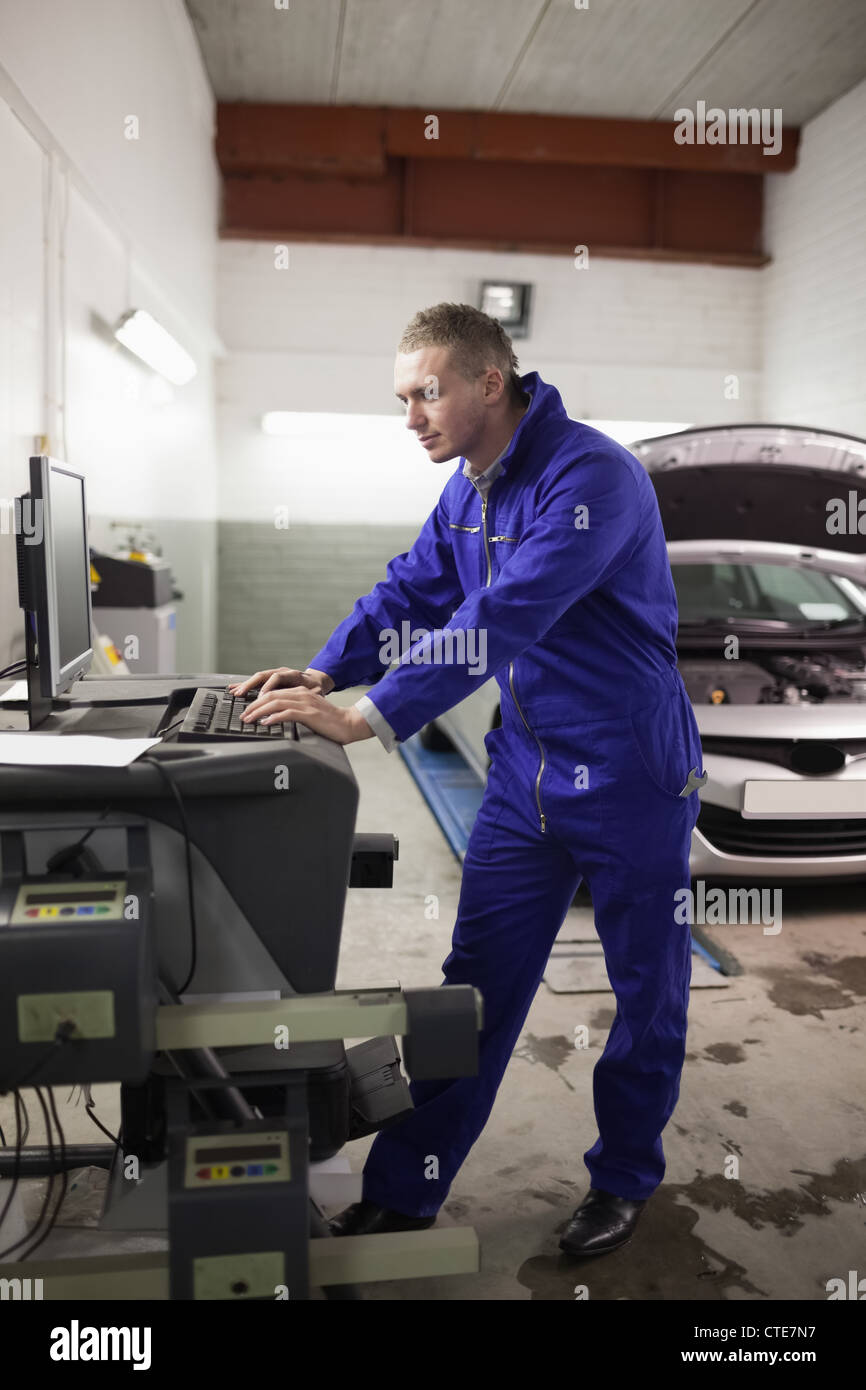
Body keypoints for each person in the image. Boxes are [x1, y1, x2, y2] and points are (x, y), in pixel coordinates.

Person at [230, 302, 703, 1258]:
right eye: (403, 396)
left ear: (491, 381)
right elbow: (413, 586)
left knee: (645, 988)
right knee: (472, 994)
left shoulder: (592, 478)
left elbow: (505, 614)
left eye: (426, 391)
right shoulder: (472, 485)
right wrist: (327, 670)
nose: (411, 416)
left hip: (629, 771)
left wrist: (368, 716)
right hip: (525, 771)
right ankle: (408, 1191)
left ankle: (622, 1179)